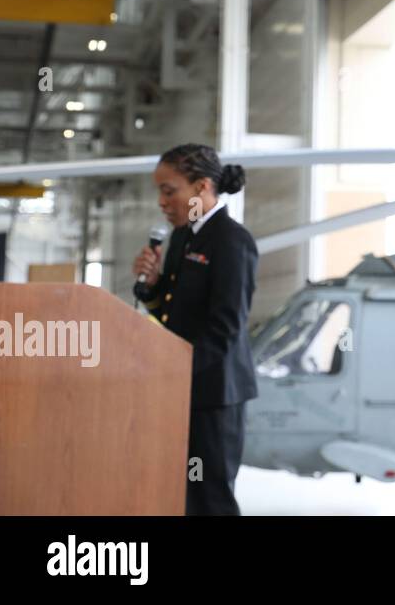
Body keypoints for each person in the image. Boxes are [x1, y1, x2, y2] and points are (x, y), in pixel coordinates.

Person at [133, 143, 257, 516]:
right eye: (160, 192)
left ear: (202, 187)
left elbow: (225, 329)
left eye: (170, 191)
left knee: (210, 500)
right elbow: (172, 315)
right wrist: (152, 286)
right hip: (181, 388)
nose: (162, 201)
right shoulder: (183, 238)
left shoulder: (232, 241)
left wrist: (174, 370)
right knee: (181, 497)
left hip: (213, 394)